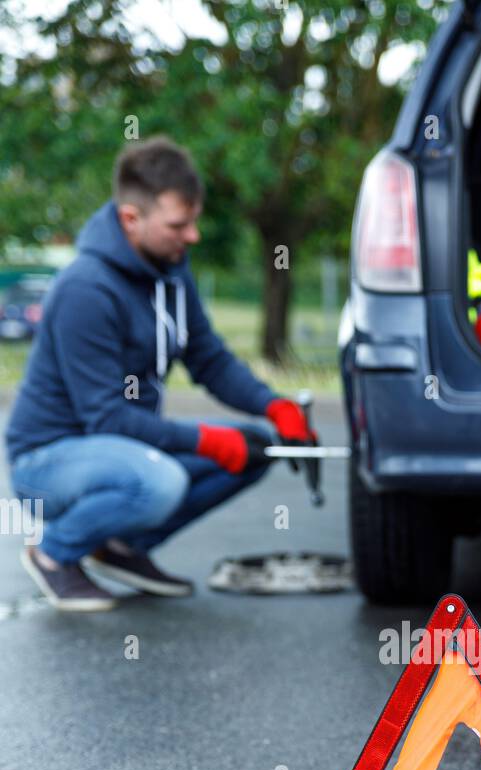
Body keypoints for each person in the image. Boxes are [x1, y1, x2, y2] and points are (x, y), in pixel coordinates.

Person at [5, 136, 315, 612]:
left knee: (255, 448)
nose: (192, 236)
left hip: (124, 450)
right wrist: (208, 440)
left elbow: (208, 359)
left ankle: (122, 547)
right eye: (179, 224)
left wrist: (274, 405)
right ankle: (53, 553)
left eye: (193, 221)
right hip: (49, 461)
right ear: (132, 219)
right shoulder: (85, 289)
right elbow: (106, 419)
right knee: (161, 481)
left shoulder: (171, 272)